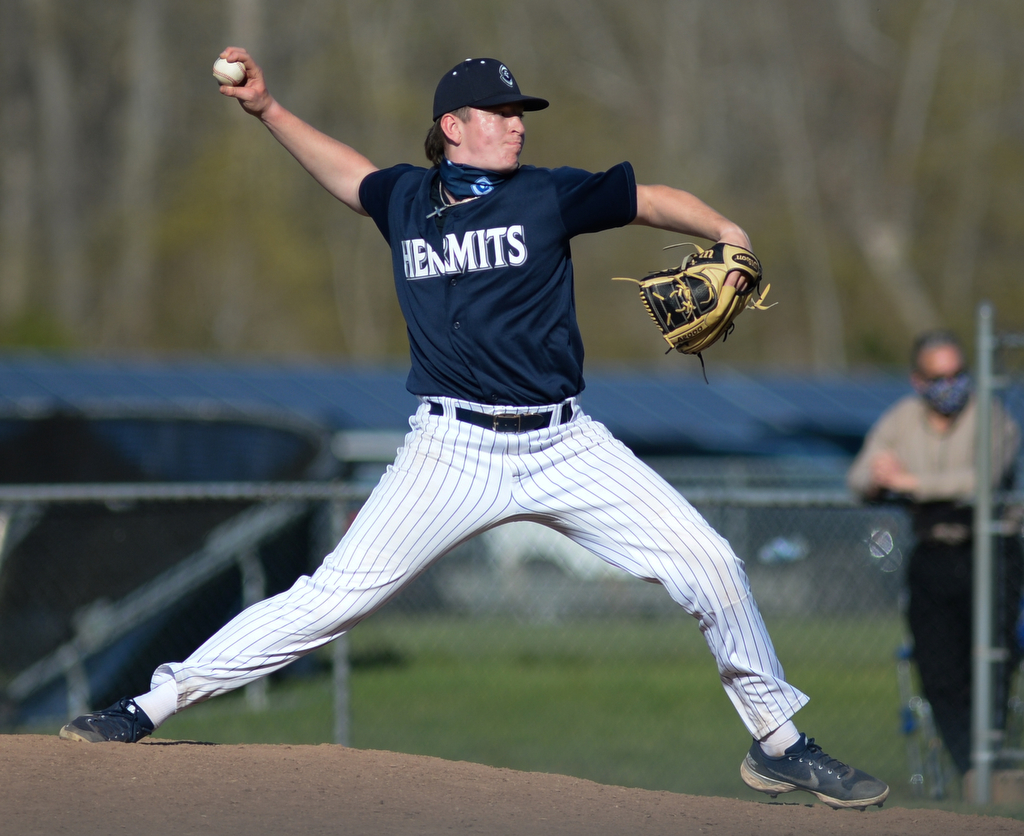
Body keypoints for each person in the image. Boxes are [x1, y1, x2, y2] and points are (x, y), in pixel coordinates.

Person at [59, 47, 888, 809]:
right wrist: (269, 110)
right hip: (451, 449)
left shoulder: (547, 192)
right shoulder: (408, 200)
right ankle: (151, 702)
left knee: (710, 564)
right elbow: (350, 178)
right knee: (327, 603)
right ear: (453, 127)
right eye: (500, 112)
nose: (517, 123)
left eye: (520, 111)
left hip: (566, 443)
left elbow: (647, 198)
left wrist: (726, 232)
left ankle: (778, 742)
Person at [848, 330, 1023, 774]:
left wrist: (911, 483)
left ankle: (992, 753)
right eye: (938, 376)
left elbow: (980, 481)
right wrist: (878, 478)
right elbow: (861, 476)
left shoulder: (992, 417)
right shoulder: (902, 418)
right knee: (937, 668)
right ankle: (971, 767)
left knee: (991, 659)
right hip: (933, 556)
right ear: (918, 380)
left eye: (958, 374)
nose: (951, 385)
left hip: (989, 553)